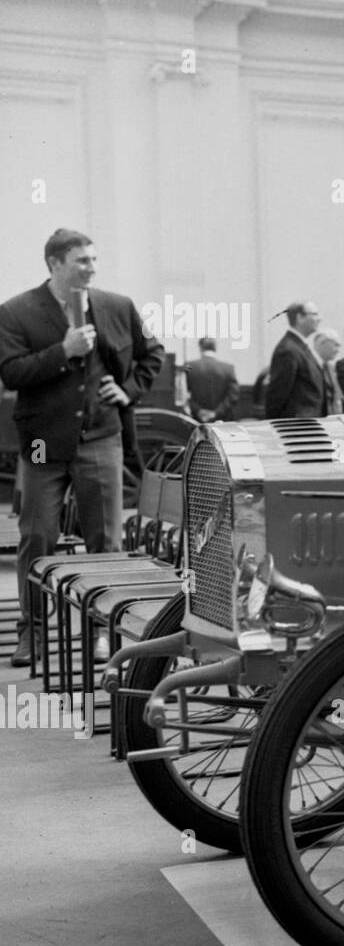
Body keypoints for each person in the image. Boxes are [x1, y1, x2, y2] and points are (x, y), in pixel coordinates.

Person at [0, 228, 164, 665]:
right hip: (38, 443)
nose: (92, 267)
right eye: (81, 261)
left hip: (101, 439)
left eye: (94, 259)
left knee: (105, 541)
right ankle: (32, 633)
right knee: (36, 535)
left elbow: (154, 354)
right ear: (54, 264)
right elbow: (11, 373)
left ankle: (101, 632)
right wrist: (63, 350)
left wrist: (129, 390)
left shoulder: (118, 306)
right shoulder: (15, 312)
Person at [263, 301, 324, 419]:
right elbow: (277, 394)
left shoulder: (299, 346)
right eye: (315, 314)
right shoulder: (288, 350)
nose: (319, 319)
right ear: (300, 317)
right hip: (297, 427)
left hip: (309, 423)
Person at [184, 337, 240, 423]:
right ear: (215, 348)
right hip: (223, 421)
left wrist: (198, 411)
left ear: (200, 348)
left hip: (196, 420)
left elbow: (183, 394)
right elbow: (233, 397)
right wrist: (216, 413)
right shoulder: (228, 368)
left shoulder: (189, 366)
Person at [310, 328, 344, 416]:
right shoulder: (304, 364)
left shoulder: (330, 367)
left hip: (330, 420)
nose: (338, 350)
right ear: (322, 343)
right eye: (335, 345)